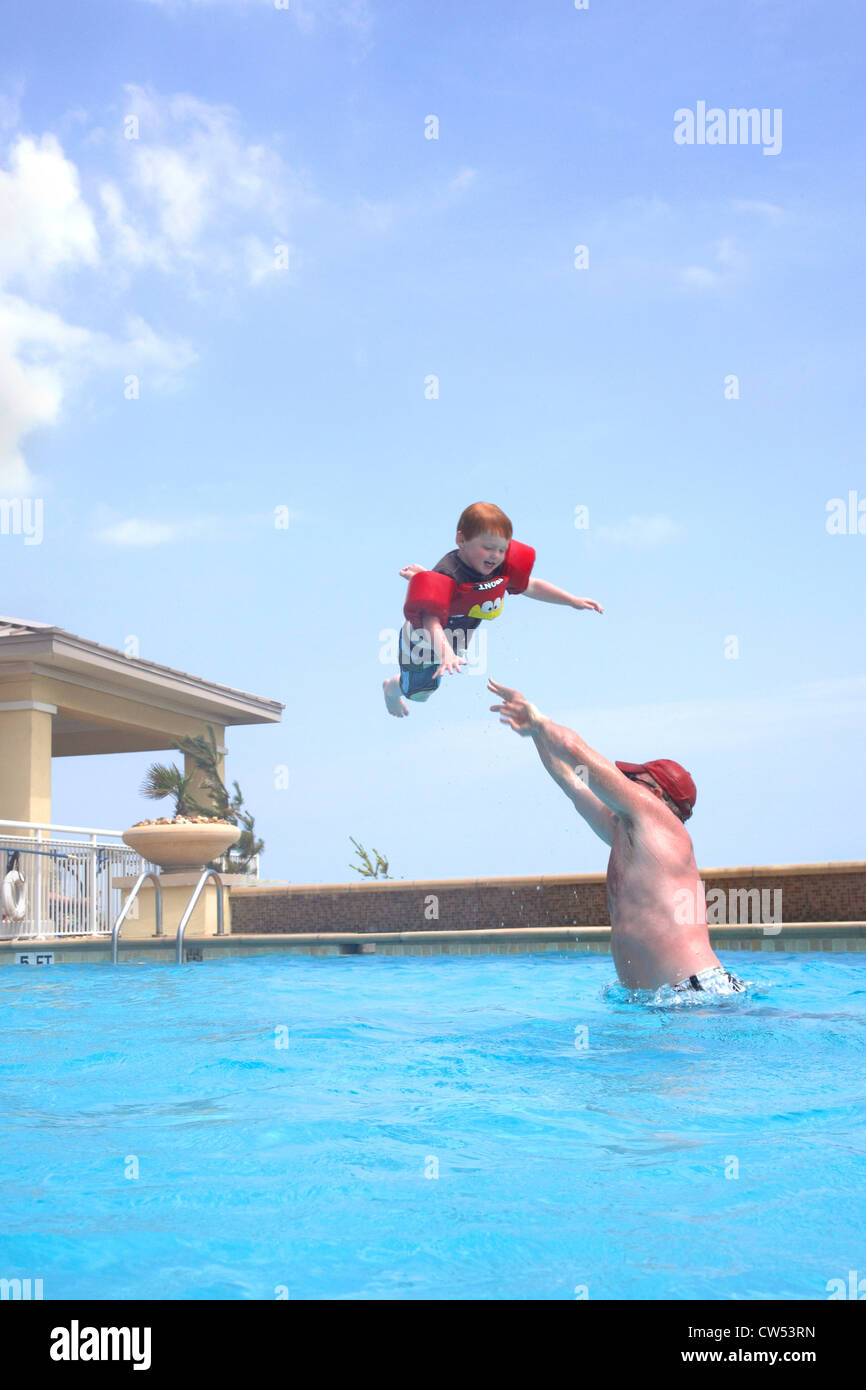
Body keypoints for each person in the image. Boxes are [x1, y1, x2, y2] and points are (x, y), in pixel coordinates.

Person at [487, 678, 744, 996]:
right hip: (665, 999)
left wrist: (539, 719)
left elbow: (573, 751)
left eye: (632, 778)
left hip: (694, 992)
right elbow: (571, 780)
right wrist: (536, 733)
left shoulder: (656, 817)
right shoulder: (632, 834)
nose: (623, 781)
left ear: (655, 793)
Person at [383, 502, 603, 717]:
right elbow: (430, 618)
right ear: (461, 540)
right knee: (419, 693)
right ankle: (390, 689)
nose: (495, 555)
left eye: (501, 549)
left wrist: (572, 600)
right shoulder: (449, 572)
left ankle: (424, 579)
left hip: (453, 640)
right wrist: (446, 654)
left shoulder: (495, 568)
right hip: (421, 640)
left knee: (433, 679)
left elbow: (530, 586)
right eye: (487, 548)